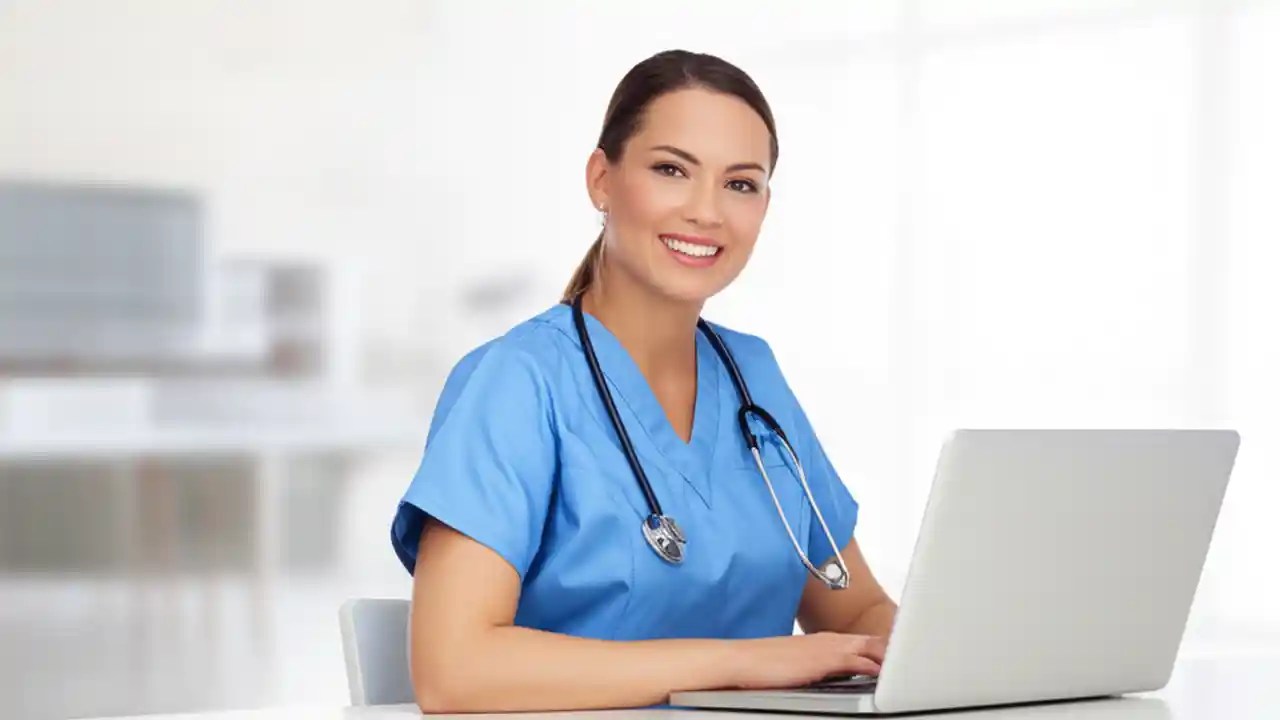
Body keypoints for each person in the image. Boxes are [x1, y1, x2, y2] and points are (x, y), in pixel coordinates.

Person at [390, 49, 897, 714]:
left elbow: (855, 608)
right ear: (602, 179)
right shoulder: (517, 383)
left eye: (740, 184)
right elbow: (453, 671)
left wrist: (924, 653)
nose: (706, 211)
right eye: (671, 170)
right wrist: (742, 665)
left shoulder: (755, 381)